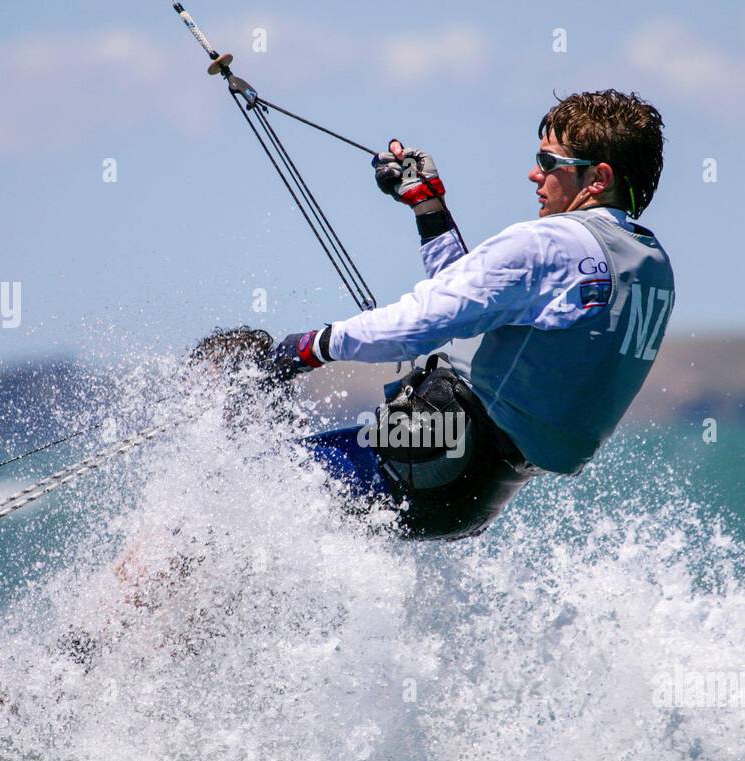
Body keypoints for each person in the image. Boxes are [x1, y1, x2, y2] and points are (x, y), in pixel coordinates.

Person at [210, 89, 675, 541]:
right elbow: (471, 303)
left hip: (436, 459)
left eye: (550, 163)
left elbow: (422, 322)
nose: (534, 174)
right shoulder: (650, 265)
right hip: (475, 495)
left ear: (598, 178)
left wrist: (307, 348)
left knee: (224, 497)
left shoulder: (551, 244)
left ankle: (140, 606)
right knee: (254, 530)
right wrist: (427, 206)